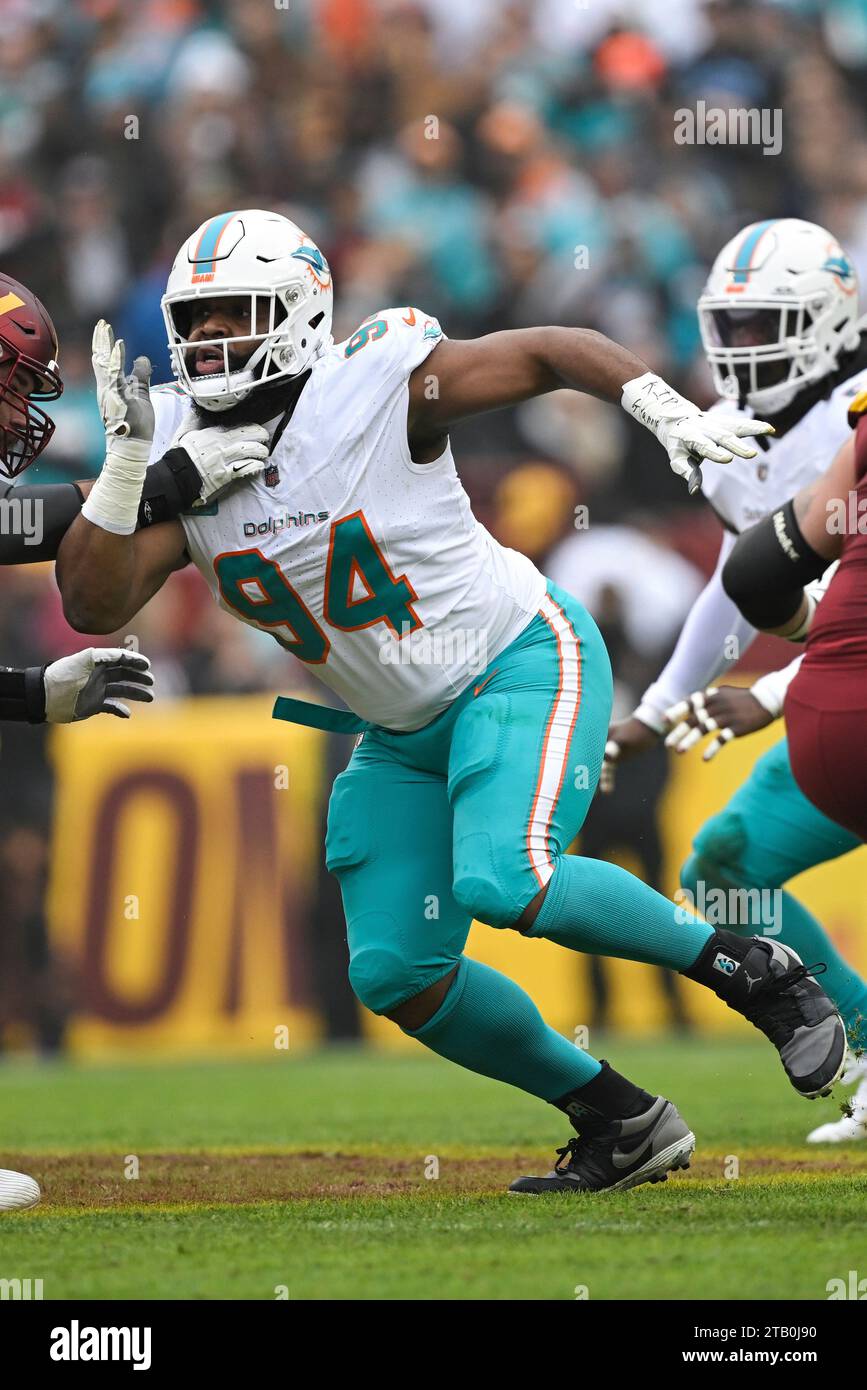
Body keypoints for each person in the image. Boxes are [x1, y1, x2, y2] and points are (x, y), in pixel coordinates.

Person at [55, 208, 844, 1195]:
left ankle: (750, 968)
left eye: (236, 315)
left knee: (507, 879)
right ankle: (620, 1117)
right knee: (394, 968)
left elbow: (550, 350)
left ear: (300, 314)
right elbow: (92, 600)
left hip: (513, 659)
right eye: (198, 320)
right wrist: (136, 474)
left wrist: (662, 407)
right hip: (396, 729)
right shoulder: (176, 440)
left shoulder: (375, 383)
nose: (211, 340)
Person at [603, 219, 867, 1141]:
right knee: (725, 870)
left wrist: (765, 693)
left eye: (767, 325)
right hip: (838, 699)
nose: (744, 349)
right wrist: (656, 707)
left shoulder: (855, 416)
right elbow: (734, 578)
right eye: (734, 326)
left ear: (831, 319)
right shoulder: (733, 436)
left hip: (829, 687)